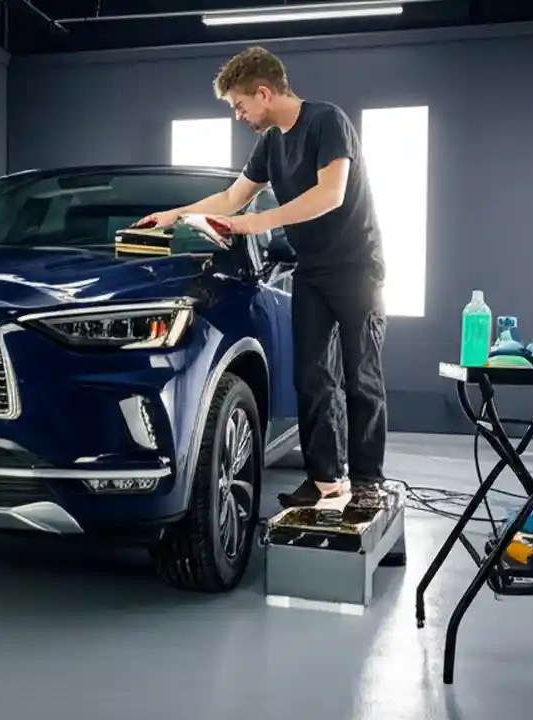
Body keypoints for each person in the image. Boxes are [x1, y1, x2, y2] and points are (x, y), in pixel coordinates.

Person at [133, 46, 388, 508]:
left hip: (356, 268)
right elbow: (233, 197)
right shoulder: (271, 144)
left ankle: (368, 481)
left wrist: (255, 223)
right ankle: (326, 480)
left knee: (360, 377)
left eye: (239, 105)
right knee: (312, 376)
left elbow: (329, 196)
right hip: (312, 269)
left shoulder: (327, 122)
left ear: (264, 93)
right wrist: (173, 214)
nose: (239, 115)